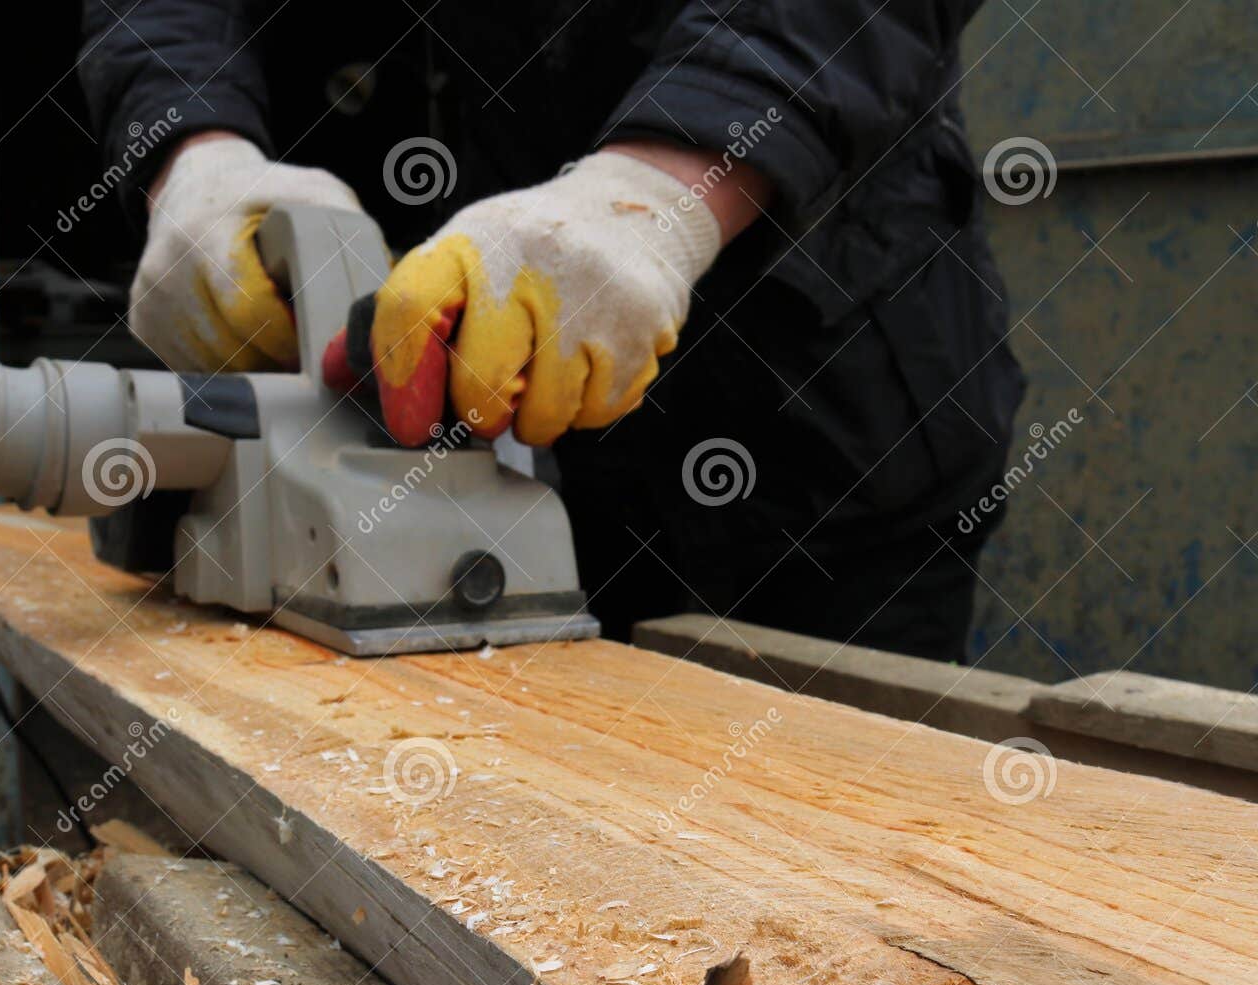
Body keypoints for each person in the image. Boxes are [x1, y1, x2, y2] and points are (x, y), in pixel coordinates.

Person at [78, 1, 1024, 660]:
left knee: (851, 877)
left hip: (833, 425)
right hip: (500, 428)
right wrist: (190, 146)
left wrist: (661, 190)